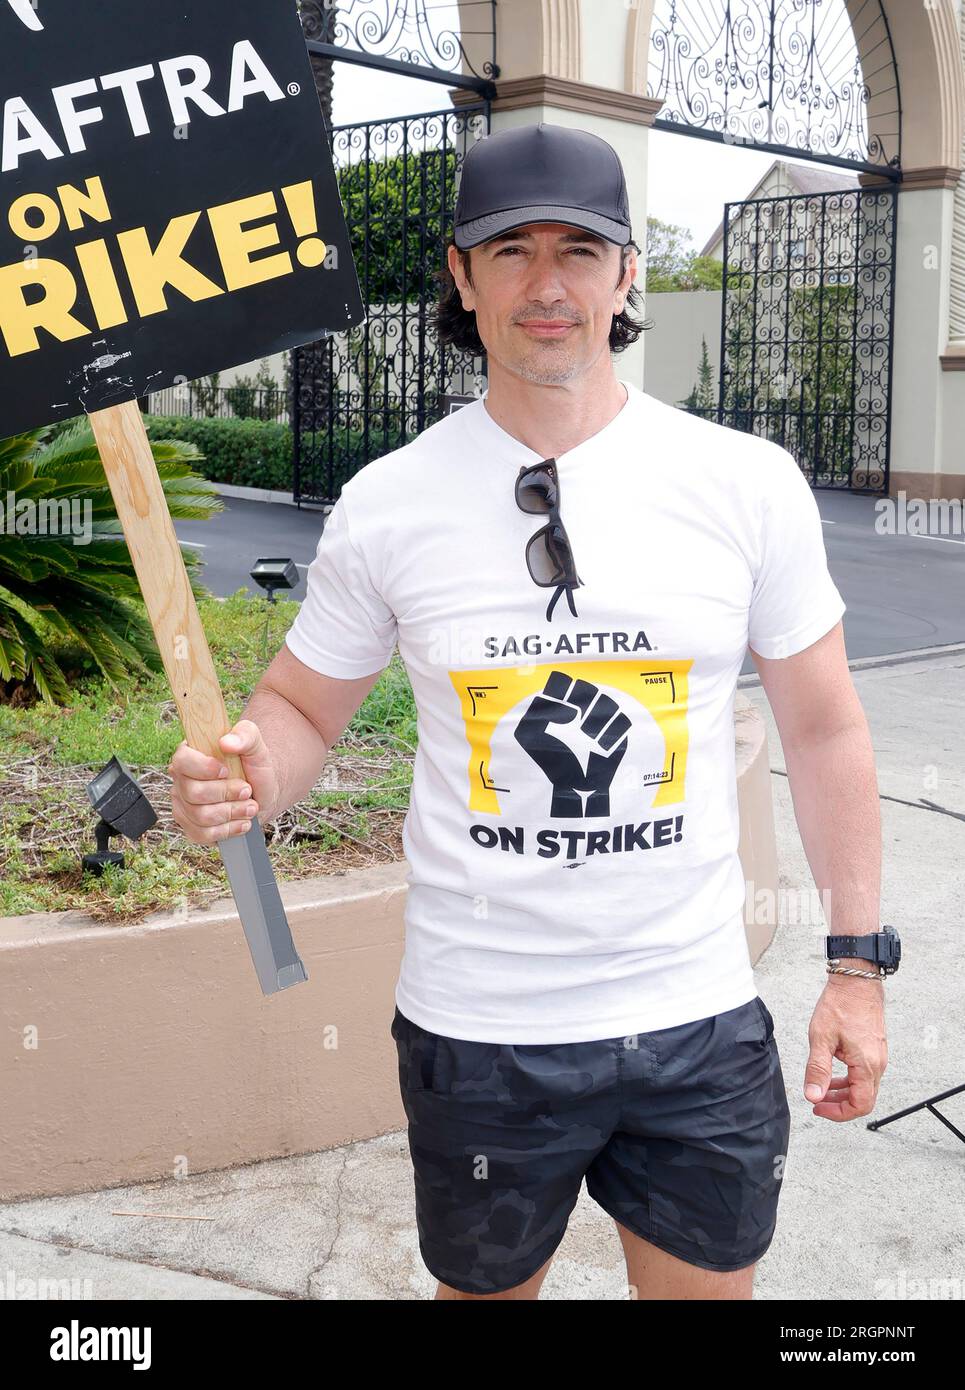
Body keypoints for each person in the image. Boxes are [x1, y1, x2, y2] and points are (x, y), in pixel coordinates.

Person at [169, 123, 889, 1301]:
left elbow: (823, 729)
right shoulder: (387, 505)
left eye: (578, 249)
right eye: (509, 251)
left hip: (695, 1020)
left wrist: (854, 968)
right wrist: (250, 773)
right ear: (459, 274)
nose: (545, 284)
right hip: (481, 1029)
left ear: (626, 274)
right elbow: (299, 706)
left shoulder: (741, 484)